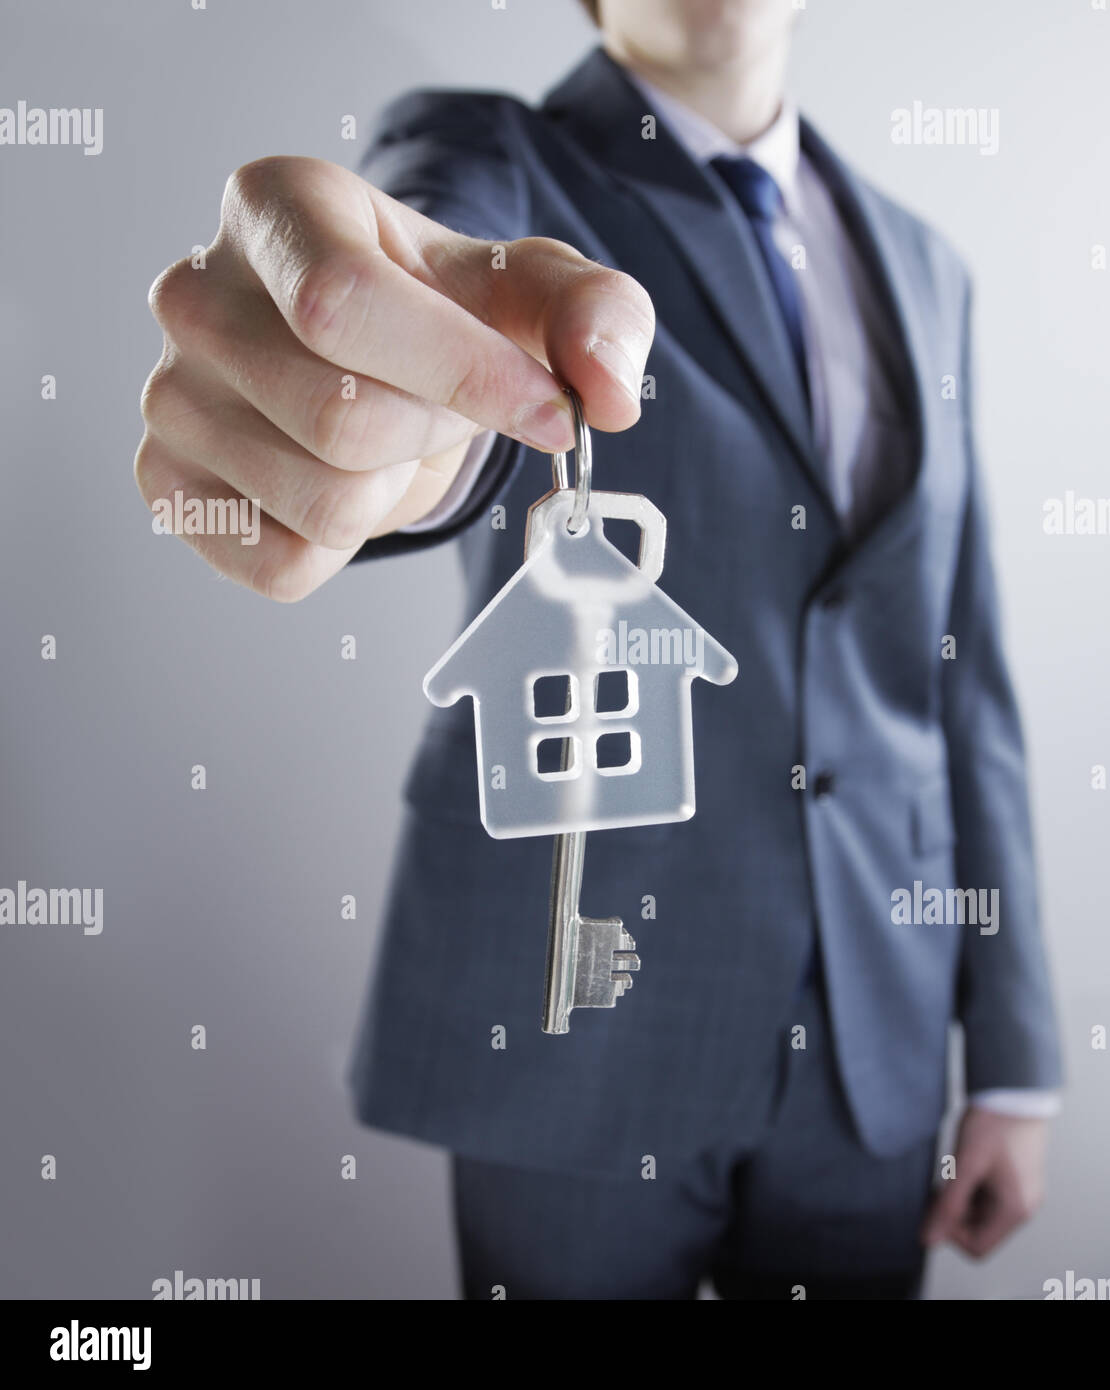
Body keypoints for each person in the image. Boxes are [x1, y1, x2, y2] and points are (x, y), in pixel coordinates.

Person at [133, 0, 1062, 1299]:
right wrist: (394, 419)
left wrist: (1014, 1058)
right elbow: (433, 282)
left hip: (875, 1044)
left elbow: (969, 683)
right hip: (579, 1037)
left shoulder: (928, 266)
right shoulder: (491, 159)